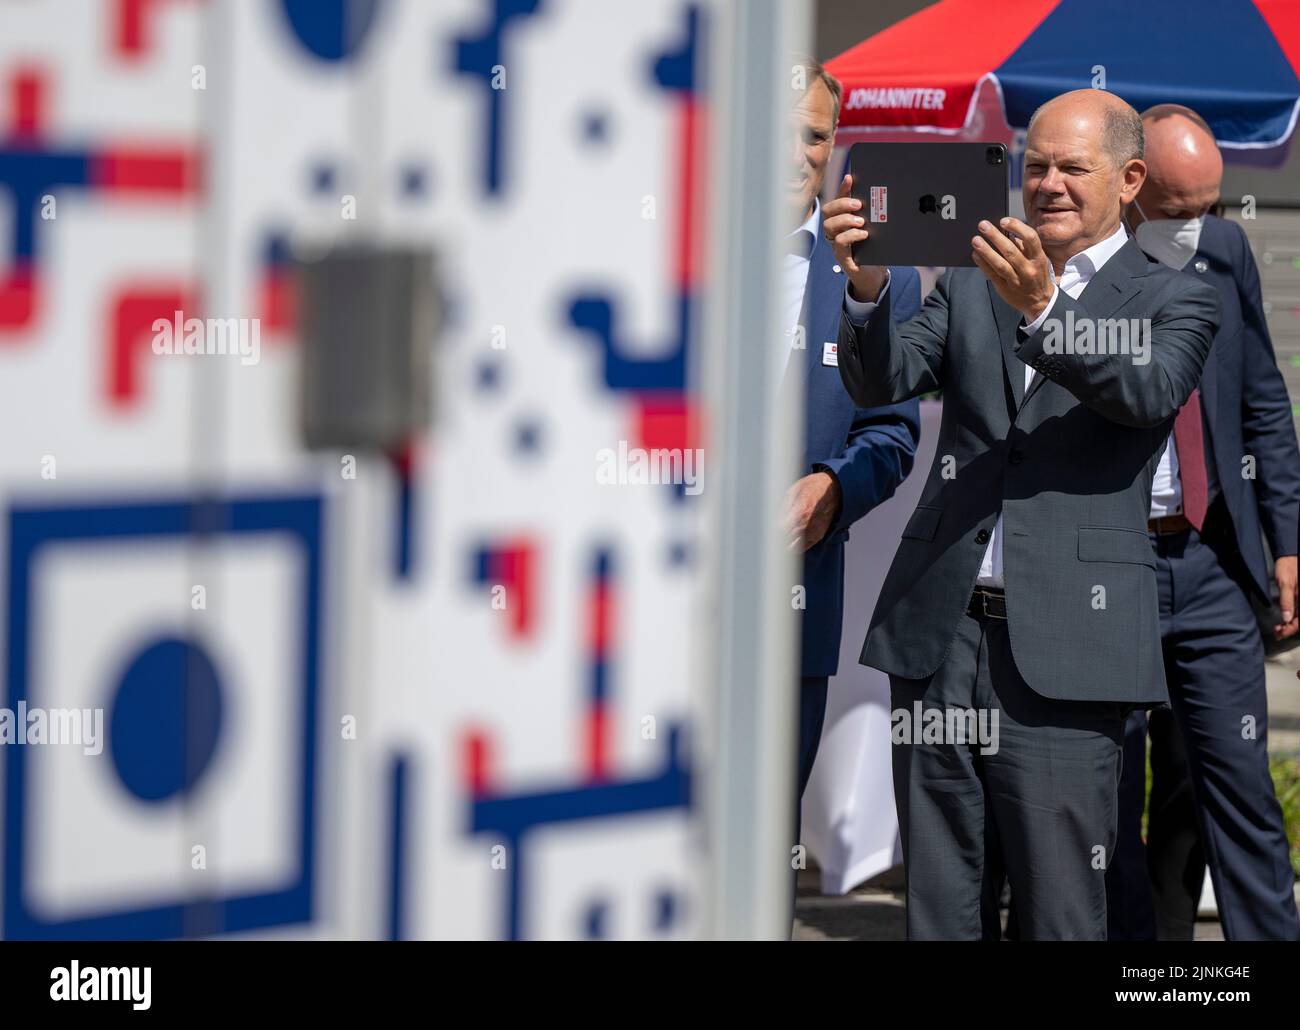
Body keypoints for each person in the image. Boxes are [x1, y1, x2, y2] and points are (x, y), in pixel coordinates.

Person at [824, 89, 1220, 939]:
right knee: (937, 903)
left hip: (1069, 658)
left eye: (1072, 167)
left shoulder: (1176, 295)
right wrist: (867, 287)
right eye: (1034, 165)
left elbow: (1143, 392)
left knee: (1060, 909)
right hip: (938, 636)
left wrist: (1045, 309)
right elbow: (886, 380)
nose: (1047, 185)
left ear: (1129, 178)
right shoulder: (976, 273)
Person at [1104, 103, 1300, 942]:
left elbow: (1263, 401)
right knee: (1106, 798)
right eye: (1185, 211)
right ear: (1133, 188)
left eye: (1215, 206)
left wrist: (1289, 541)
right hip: (1109, 569)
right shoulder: (1073, 264)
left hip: (1216, 560)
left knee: (1237, 785)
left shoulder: (1224, 251)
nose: (1204, 225)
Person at [780, 57, 920, 919]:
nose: (799, 150)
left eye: (815, 134)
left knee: (763, 839)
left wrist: (829, 487)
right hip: (658, 602)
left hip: (795, 599)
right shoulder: (676, 246)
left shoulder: (873, 270)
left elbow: (893, 433)